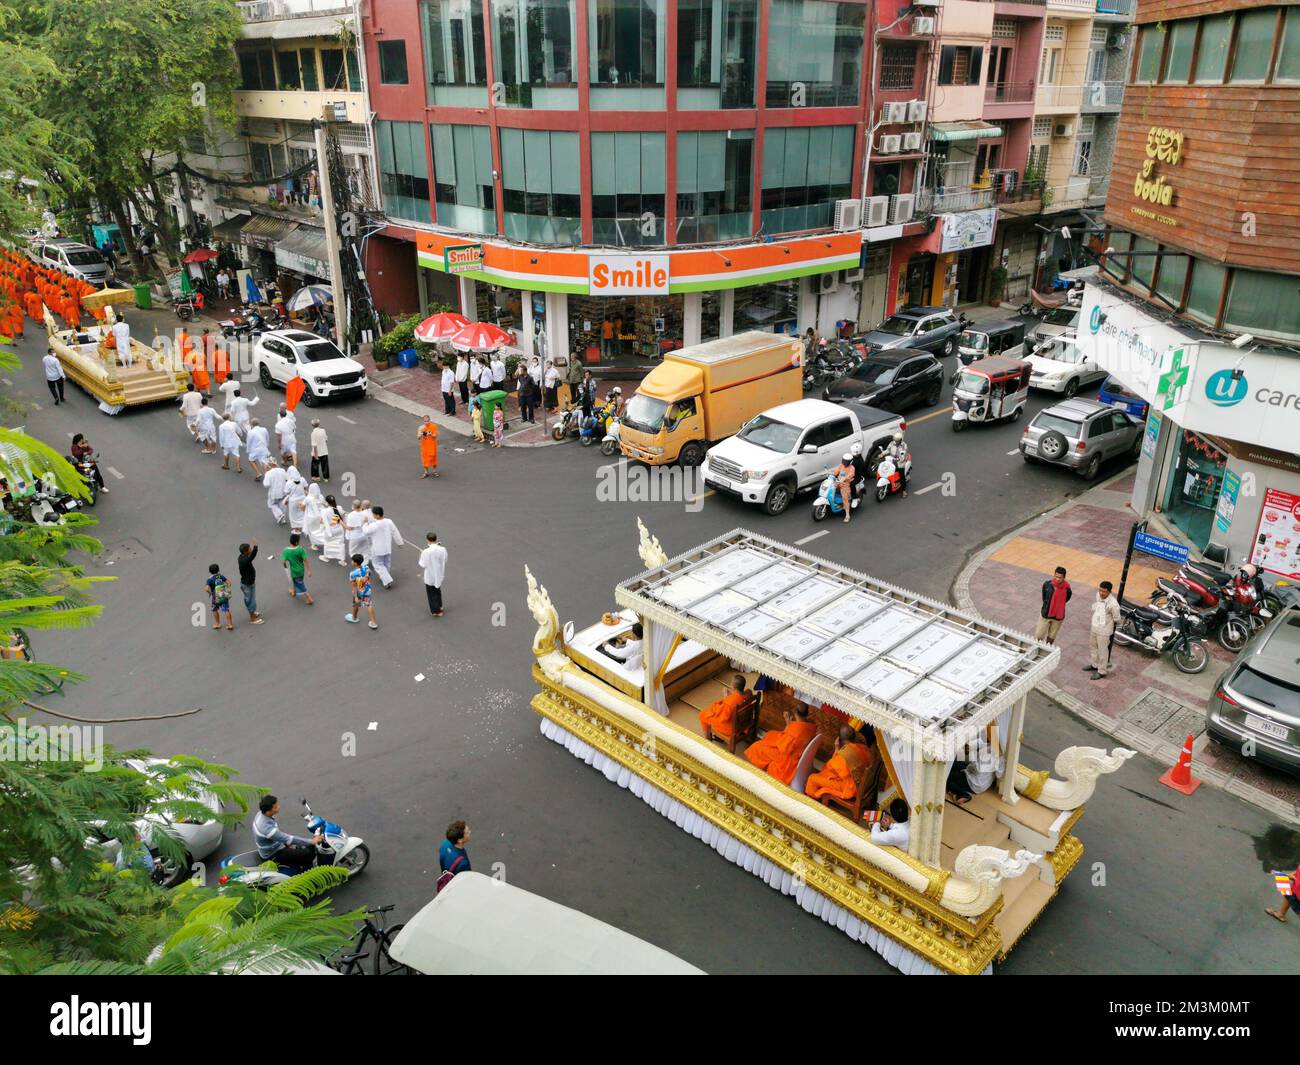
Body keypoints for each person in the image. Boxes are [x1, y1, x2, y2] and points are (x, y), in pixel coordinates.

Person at [745, 702, 819, 786]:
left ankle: (758, 772)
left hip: (787, 757)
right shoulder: (810, 726)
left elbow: (783, 748)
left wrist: (788, 726)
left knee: (757, 747)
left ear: (795, 712)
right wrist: (788, 724)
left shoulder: (795, 732)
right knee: (769, 734)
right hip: (794, 749)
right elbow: (791, 737)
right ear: (807, 714)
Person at [805, 726, 875, 804]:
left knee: (812, 778)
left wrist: (836, 748)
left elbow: (828, 768)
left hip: (850, 788)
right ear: (854, 737)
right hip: (861, 784)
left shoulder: (843, 755)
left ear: (839, 739)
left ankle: (810, 801)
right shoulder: (864, 748)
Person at [254, 794, 321, 871]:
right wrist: (312, 841)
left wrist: (286, 843)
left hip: (272, 846)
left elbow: (279, 836)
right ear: (268, 811)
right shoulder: (267, 829)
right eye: (276, 807)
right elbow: (289, 839)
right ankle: (309, 874)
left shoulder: (260, 814)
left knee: (300, 846)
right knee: (308, 852)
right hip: (273, 854)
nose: (279, 807)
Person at [362, 505, 403, 588]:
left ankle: (387, 580)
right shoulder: (389, 521)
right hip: (387, 547)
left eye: (373, 514)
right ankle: (384, 577)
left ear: (377, 515)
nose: (372, 515)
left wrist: (365, 523)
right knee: (386, 563)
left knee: (378, 565)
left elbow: (365, 531)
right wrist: (399, 543)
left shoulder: (374, 525)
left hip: (377, 549)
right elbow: (395, 532)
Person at [699, 674, 749, 742]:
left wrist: (725, 698)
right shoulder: (747, 695)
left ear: (733, 687)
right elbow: (737, 699)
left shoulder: (729, 702)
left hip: (732, 729)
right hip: (743, 725)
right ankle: (718, 737)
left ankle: (708, 739)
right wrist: (729, 698)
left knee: (703, 715)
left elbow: (722, 718)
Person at [1087, 580, 1121, 679]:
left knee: (1102, 652)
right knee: (1093, 647)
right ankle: (1094, 665)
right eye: (1100, 590)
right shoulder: (1098, 595)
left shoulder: (1113, 604)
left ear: (1109, 592)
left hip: (1104, 632)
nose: (1101, 593)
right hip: (1094, 627)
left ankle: (1102, 671)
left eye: (1104, 591)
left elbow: (1117, 619)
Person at [1037, 566, 1072, 645]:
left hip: (1058, 617)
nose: (1058, 579)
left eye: (1060, 577)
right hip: (1046, 614)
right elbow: (1044, 597)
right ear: (1054, 575)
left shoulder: (1067, 589)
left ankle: (1047, 649)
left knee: (1051, 636)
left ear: (1064, 578)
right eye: (1056, 576)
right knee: (1039, 635)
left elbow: (1066, 599)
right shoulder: (1047, 585)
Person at [345, 553, 379, 629]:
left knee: (355, 604)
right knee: (369, 605)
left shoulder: (353, 573)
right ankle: (373, 623)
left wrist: (356, 596)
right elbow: (369, 574)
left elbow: (354, 586)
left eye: (352, 561)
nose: (351, 562)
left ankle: (354, 618)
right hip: (367, 590)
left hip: (359, 592)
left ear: (355, 563)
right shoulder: (366, 567)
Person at [418, 531, 447, 617]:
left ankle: (436, 611)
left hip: (430, 576)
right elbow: (445, 559)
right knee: (437, 590)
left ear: (428, 540)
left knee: (431, 594)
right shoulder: (442, 549)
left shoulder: (426, 552)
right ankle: (440, 606)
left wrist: (420, 553)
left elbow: (422, 564)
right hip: (439, 573)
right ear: (436, 539)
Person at [280, 531, 314, 605]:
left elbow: (283, 561)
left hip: (294, 571)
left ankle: (309, 598)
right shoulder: (300, 549)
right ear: (296, 542)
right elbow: (305, 560)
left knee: (300, 584)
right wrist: (308, 570)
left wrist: (285, 566)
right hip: (301, 570)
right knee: (296, 581)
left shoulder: (286, 550)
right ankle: (294, 591)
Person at [238, 540, 264, 624]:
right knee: (250, 600)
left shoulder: (241, 556)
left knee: (251, 599)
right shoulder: (245, 560)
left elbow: (250, 555)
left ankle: (252, 612)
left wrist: (254, 548)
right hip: (247, 584)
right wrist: (255, 547)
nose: (251, 549)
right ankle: (252, 619)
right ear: (246, 551)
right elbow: (252, 556)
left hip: (249, 582)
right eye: (249, 548)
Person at [205, 562, 235, 631]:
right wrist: (226, 589)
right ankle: (230, 624)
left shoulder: (209, 579)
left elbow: (206, 588)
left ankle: (217, 623)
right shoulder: (221, 576)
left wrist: (210, 593)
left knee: (214, 609)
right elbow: (229, 583)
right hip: (223, 595)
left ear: (210, 571)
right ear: (218, 570)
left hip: (215, 597)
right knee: (226, 609)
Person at [321, 494, 348, 565]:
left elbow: (324, 522)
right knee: (340, 544)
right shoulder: (339, 508)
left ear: (327, 502)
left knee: (328, 544)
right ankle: (342, 560)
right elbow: (343, 515)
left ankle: (326, 557)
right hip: (339, 529)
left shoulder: (324, 511)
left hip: (330, 530)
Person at [832, 452, 855, 524]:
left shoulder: (852, 468)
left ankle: (847, 515)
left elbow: (851, 475)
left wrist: (844, 478)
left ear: (850, 462)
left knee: (845, 498)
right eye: (844, 460)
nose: (844, 462)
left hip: (845, 483)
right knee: (830, 488)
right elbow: (835, 472)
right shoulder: (841, 465)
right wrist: (831, 475)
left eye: (846, 461)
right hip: (838, 481)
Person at [284, 462, 308, 532]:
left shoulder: (289, 482)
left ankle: (296, 529)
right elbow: (306, 487)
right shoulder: (302, 479)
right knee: (302, 513)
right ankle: (304, 527)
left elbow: (286, 492)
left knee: (293, 515)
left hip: (293, 500)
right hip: (303, 499)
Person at [302, 483, 327, 552]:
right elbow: (325, 504)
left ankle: (314, 544)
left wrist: (304, 511)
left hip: (311, 517)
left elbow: (302, 505)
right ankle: (324, 541)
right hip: (321, 516)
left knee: (312, 532)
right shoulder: (321, 496)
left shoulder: (308, 498)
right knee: (320, 530)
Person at [262, 460, 288, 525]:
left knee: (272, 504)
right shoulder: (282, 470)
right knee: (282, 504)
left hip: (274, 493)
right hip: (283, 491)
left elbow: (266, 484)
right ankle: (283, 519)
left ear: (269, 465)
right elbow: (287, 479)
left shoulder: (268, 473)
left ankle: (280, 514)